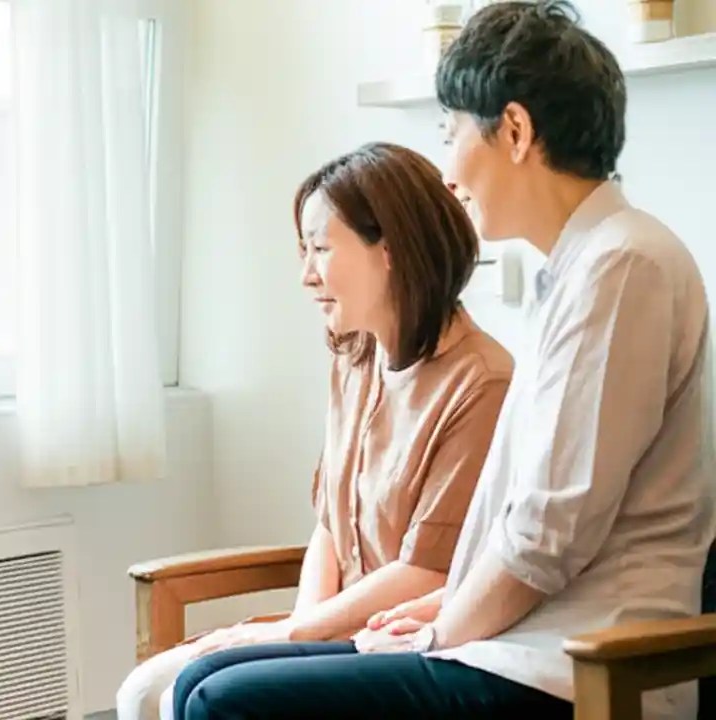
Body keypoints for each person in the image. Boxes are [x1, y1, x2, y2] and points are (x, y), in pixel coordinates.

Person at [171, 3, 714, 719]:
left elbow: (547, 537)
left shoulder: (624, 267)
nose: (448, 166)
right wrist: (440, 609)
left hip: (572, 667)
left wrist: (437, 629)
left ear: (514, 131)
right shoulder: (578, 272)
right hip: (512, 643)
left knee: (225, 702)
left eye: (450, 130)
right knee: (198, 683)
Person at [116, 141, 514, 720]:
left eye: (321, 249)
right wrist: (298, 635)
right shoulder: (355, 355)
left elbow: (428, 568)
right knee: (143, 692)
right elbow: (330, 525)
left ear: (392, 250)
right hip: (332, 625)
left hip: (404, 639)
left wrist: (296, 636)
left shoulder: (481, 384)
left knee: (193, 694)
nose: (306, 275)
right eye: (304, 251)